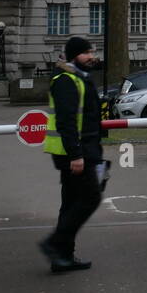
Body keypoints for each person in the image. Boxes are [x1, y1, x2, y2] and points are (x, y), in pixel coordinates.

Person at [38, 36, 104, 273]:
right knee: (90, 198)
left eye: (92, 51)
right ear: (74, 54)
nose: (91, 56)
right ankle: (54, 245)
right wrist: (76, 155)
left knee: (71, 202)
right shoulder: (66, 80)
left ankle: (62, 257)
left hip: (83, 149)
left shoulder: (80, 78)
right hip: (75, 152)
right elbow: (66, 121)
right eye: (86, 52)